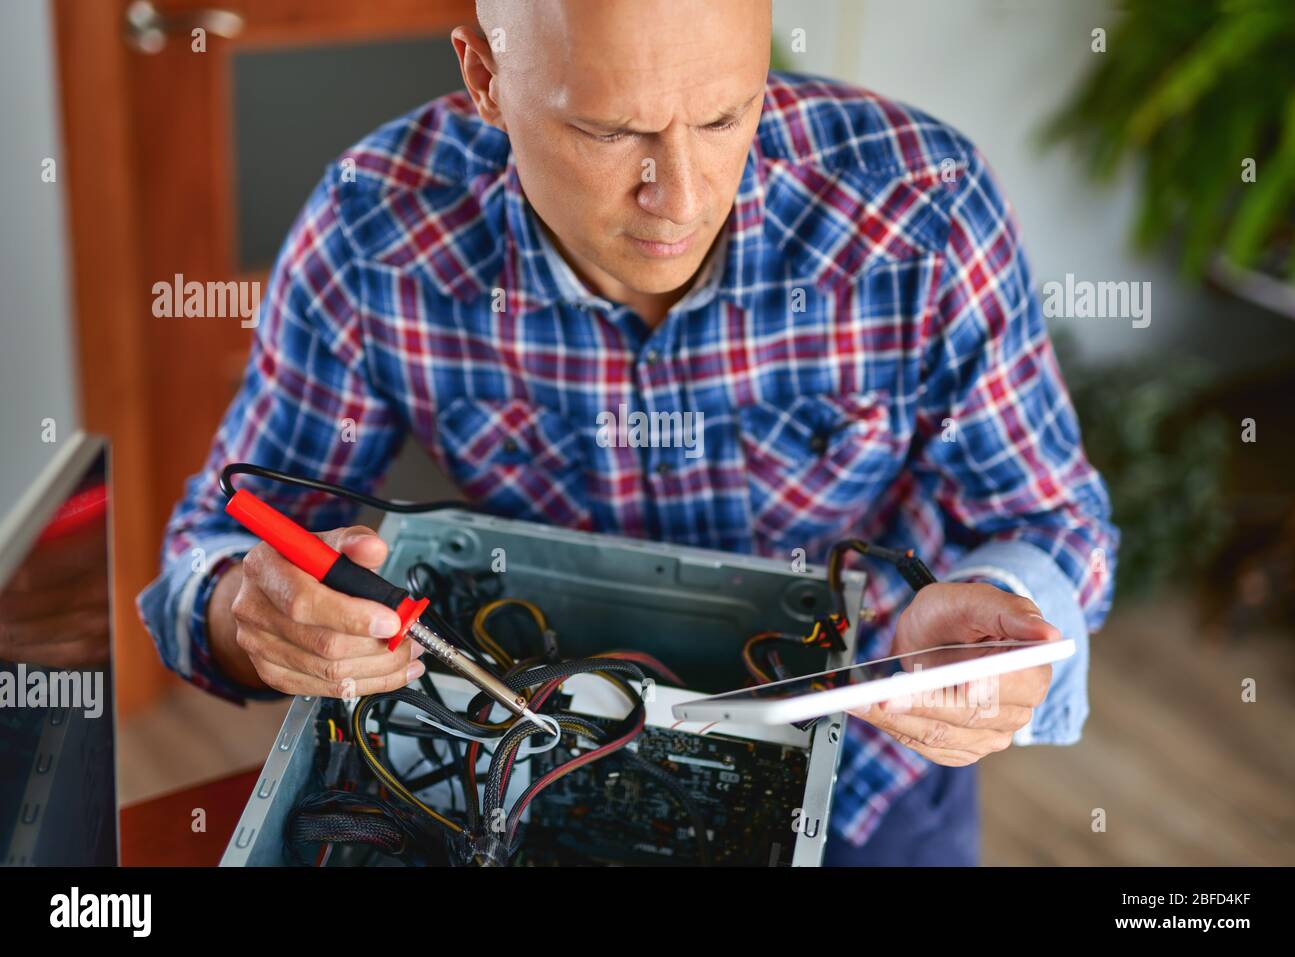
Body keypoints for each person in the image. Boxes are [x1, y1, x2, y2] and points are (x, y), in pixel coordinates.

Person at [138, 0, 1116, 866]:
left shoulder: (919, 206)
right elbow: (213, 549)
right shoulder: (374, 225)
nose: (680, 198)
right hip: (533, 776)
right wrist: (247, 612)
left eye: (727, 113)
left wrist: (1000, 615)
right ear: (484, 77)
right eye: (611, 131)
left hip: (870, 783)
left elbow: (1051, 516)